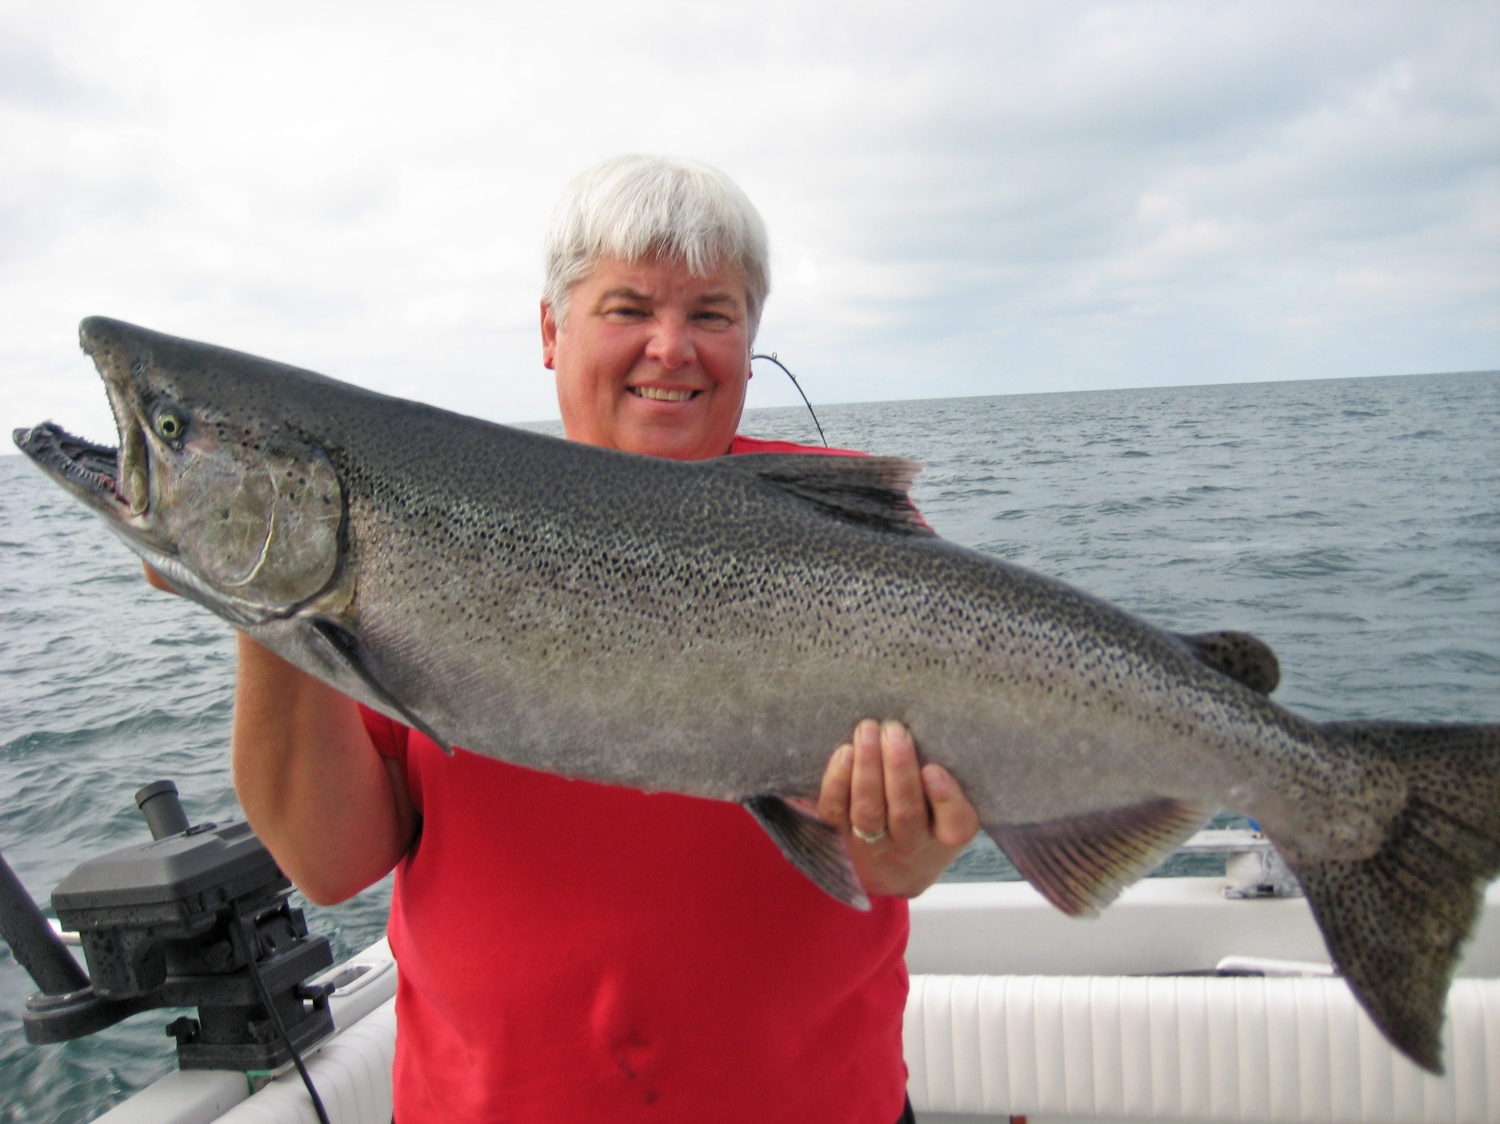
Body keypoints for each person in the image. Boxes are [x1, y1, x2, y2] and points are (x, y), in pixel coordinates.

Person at [152, 155, 980, 1123]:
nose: (671, 347)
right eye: (628, 307)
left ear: (750, 344)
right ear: (552, 330)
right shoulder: (412, 521)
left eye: (712, 313)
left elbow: (881, 861)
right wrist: (268, 588)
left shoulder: (852, 535)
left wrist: (908, 850)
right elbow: (332, 862)